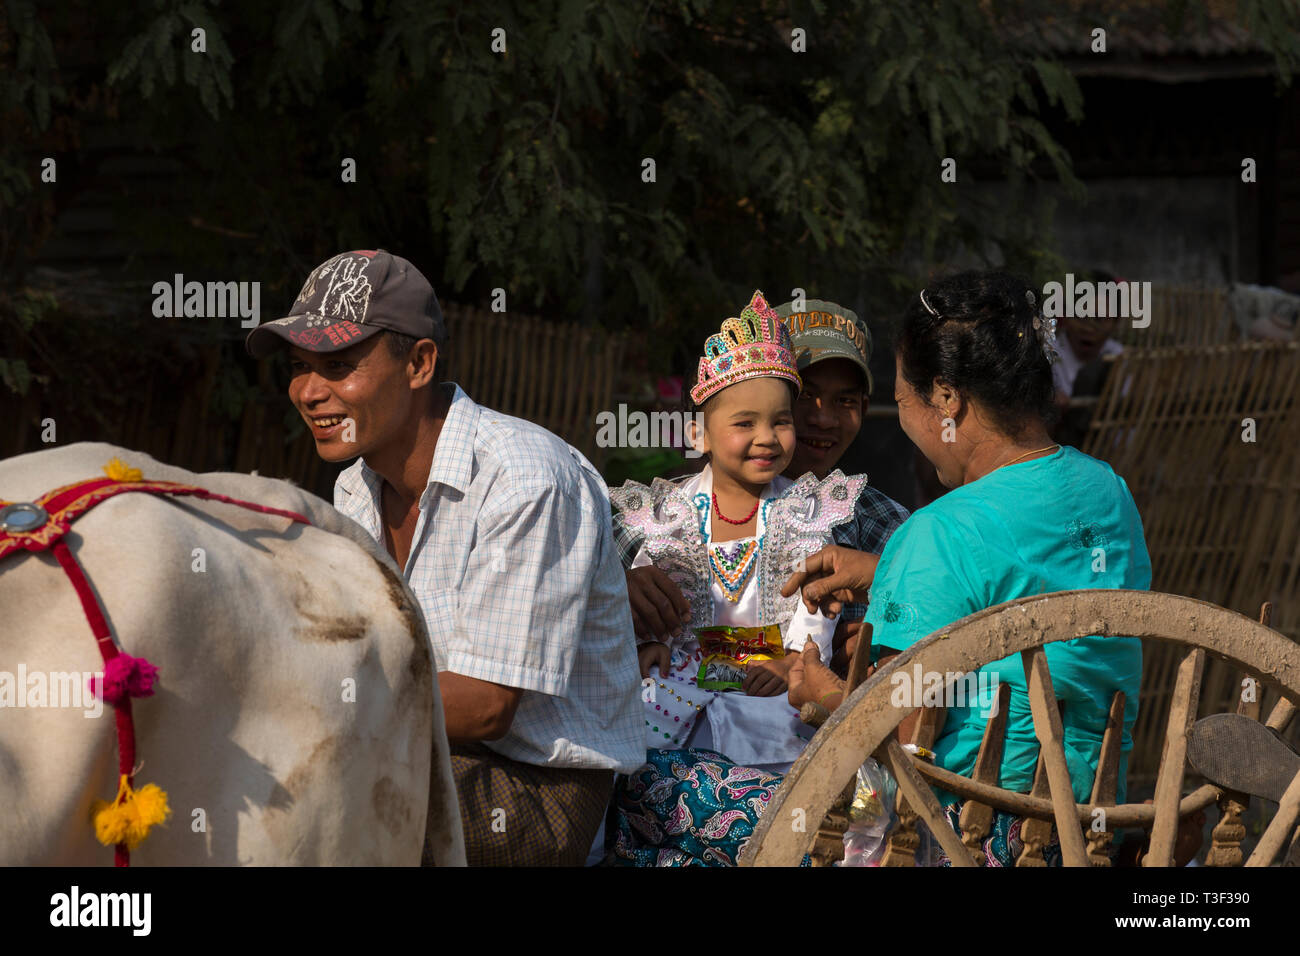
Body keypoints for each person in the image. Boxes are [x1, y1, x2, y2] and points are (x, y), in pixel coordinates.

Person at [245, 249, 643, 866]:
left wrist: (286, 699)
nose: (310, 392)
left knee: (304, 803)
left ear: (419, 363)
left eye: (340, 365)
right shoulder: (355, 489)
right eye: (300, 366)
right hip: (416, 749)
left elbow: (487, 706)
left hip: (539, 788)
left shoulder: (524, 477)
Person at [782, 270, 1150, 867]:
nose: (903, 421)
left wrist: (822, 692)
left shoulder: (937, 531)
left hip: (961, 832)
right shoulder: (1108, 491)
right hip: (1082, 826)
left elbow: (903, 739)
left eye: (903, 401)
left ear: (947, 400)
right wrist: (890, 571)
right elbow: (1034, 585)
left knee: (667, 793)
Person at [604, 290, 867, 866]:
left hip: (770, 706)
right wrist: (650, 638)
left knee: (778, 827)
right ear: (699, 433)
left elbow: (813, 619)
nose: (767, 438)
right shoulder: (668, 514)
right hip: (673, 705)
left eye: (779, 422)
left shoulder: (805, 513)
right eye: (744, 422)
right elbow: (653, 605)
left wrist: (790, 658)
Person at [618, 297, 909, 673]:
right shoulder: (665, 515)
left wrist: (884, 600)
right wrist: (628, 606)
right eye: (806, 395)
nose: (822, 417)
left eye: (845, 400)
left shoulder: (886, 526)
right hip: (676, 700)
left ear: (864, 410)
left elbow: (943, 616)